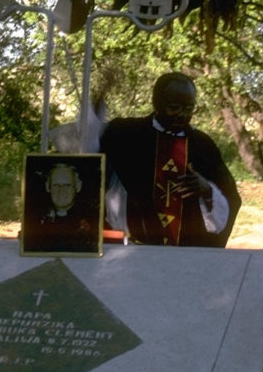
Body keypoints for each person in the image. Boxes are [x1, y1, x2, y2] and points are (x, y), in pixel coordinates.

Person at [99, 72, 241, 247]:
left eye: (189, 109)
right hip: (134, 250)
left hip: (186, 251)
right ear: (157, 103)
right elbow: (86, 148)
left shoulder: (202, 145)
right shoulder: (126, 134)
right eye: (174, 107)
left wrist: (207, 190)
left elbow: (231, 196)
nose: (182, 115)